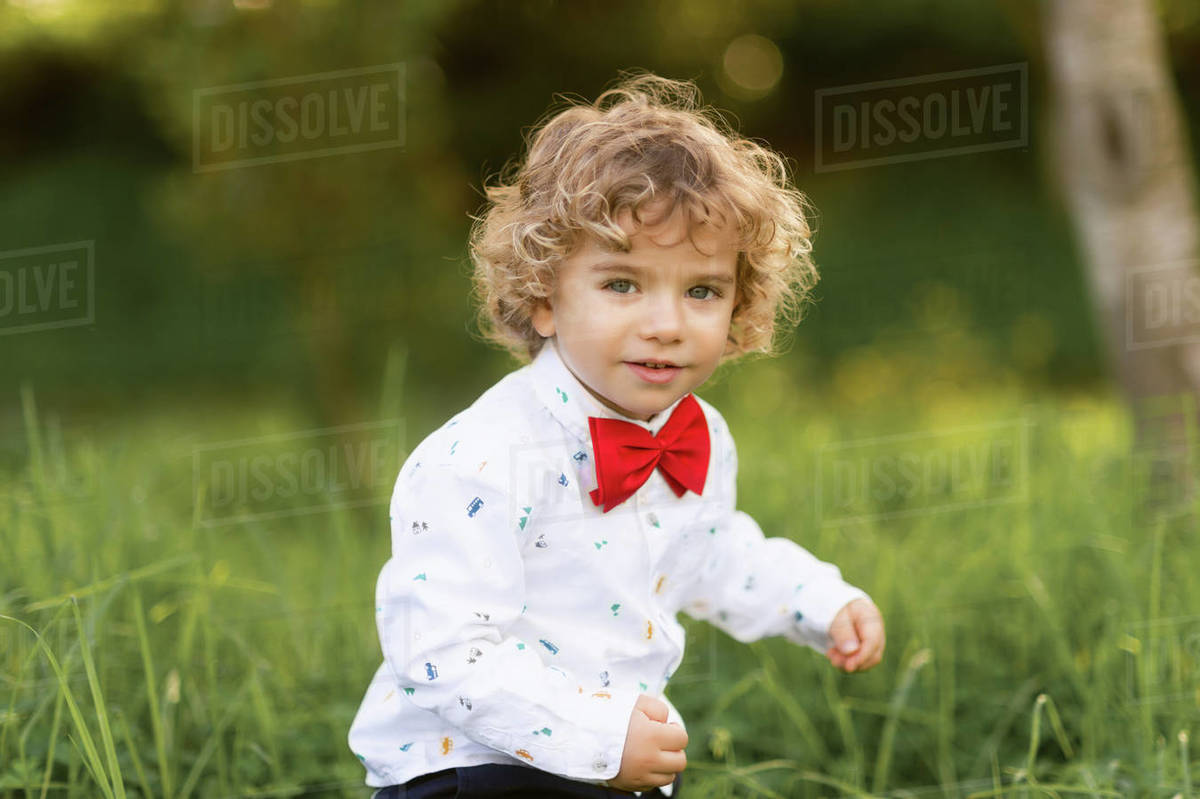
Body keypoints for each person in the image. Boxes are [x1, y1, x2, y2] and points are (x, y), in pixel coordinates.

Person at [347, 70, 885, 798]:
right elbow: (441, 650)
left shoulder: (698, 434)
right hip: (471, 765)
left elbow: (713, 552)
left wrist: (818, 601)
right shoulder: (480, 458)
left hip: (611, 761)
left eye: (701, 290)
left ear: (740, 305)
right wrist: (596, 737)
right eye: (622, 284)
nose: (665, 323)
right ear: (543, 296)